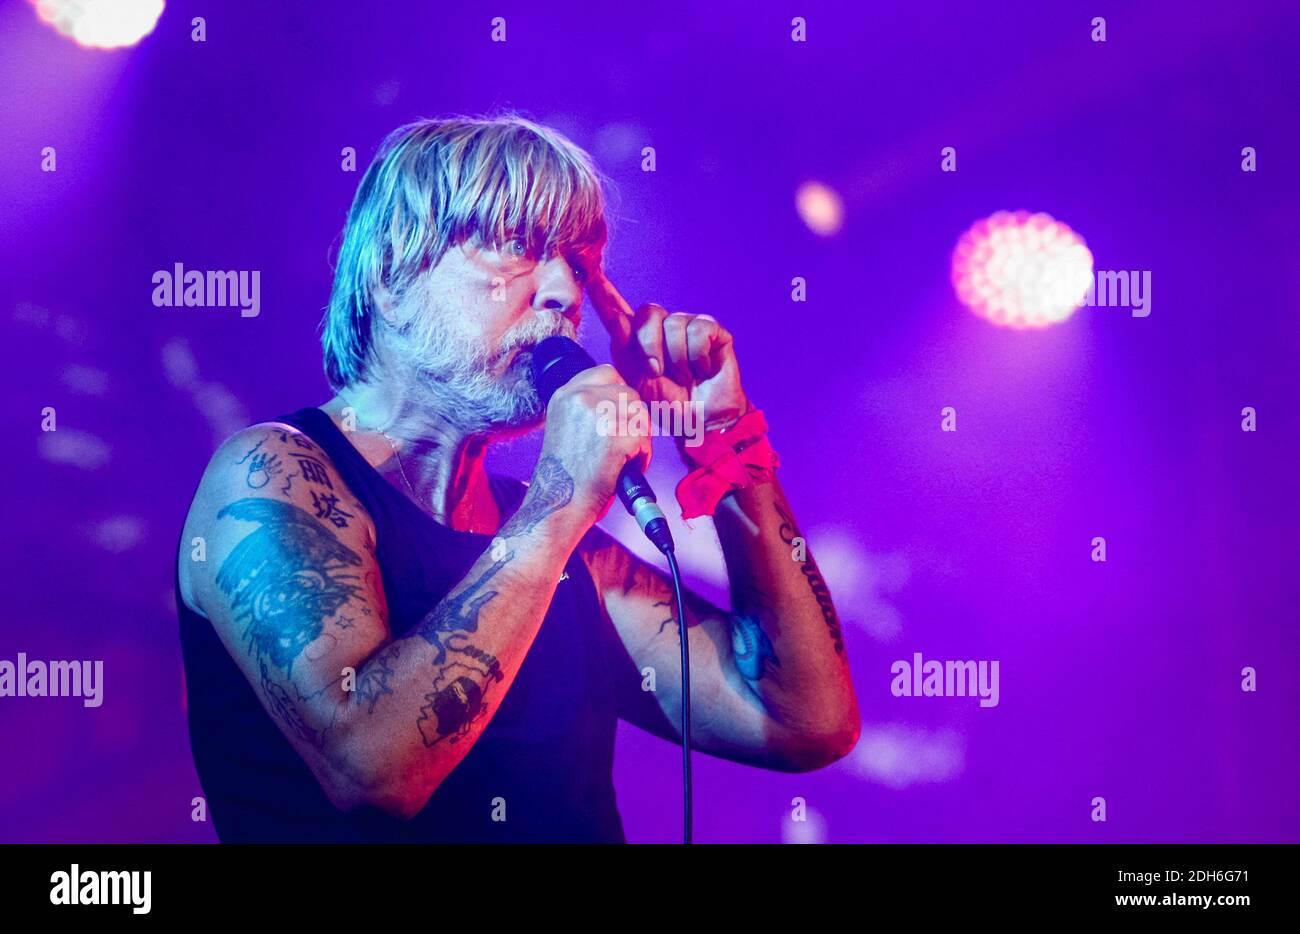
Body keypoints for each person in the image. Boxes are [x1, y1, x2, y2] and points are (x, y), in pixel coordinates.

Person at [175, 113, 860, 842]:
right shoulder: (269, 475)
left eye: (578, 263)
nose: (565, 292)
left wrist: (724, 446)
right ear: (391, 274)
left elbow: (803, 719)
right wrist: (560, 504)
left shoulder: (563, 547)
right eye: (519, 248)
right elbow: (371, 768)